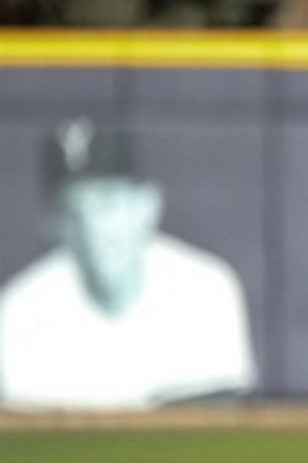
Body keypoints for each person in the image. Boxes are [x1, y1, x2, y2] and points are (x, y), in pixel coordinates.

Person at [0, 118, 256, 411]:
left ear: (147, 205)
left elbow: (218, 435)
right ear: (50, 225)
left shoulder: (206, 290)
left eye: (109, 203)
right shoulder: (16, 316)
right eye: (75, 212)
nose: (95, 228)